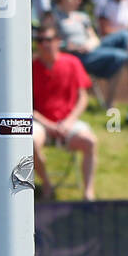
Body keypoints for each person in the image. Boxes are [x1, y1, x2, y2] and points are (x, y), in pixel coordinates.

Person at [32, 22, 98, 201]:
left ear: (58, 41)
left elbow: (83, 98)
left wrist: (69, 122)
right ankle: (46, 184)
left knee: (90, 141)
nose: (44, 44)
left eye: (48, 39)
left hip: (69, 122)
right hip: (41, 123)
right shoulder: (30, 67)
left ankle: (88, 193)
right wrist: (48, 124)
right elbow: (26, 106)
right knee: (29, 142)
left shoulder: (72, 63)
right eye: (40, 40)